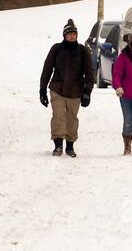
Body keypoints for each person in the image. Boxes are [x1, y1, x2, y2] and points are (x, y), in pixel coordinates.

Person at [40, 18, 96, 157]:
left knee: (72, 118)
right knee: (58, 116)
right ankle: (58, 145)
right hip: (57, 89)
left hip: (76, 91)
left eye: (74, 34)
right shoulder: (56, 48)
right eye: (69, 34)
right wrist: (42, 90)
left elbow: (89, 73)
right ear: (64, 35)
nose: (72, 36)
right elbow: (47, 69)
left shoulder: (83, 51)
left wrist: (87, 92)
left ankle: (70, 145)